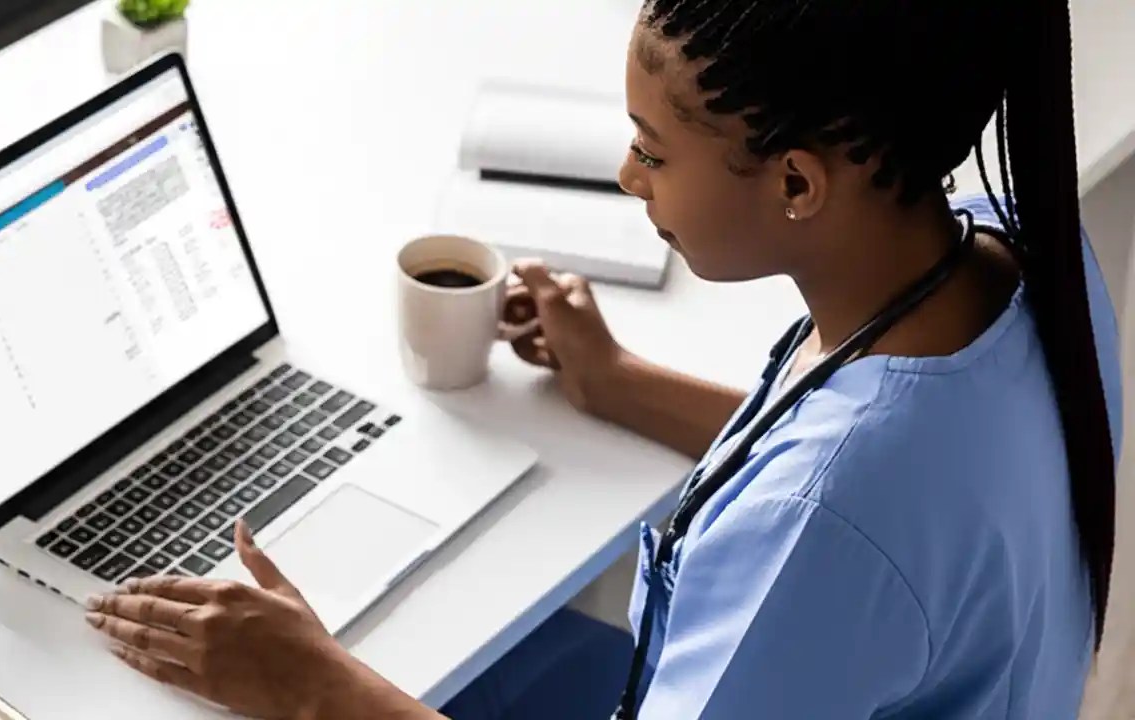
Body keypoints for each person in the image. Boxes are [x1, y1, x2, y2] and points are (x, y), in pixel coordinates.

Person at [82, 0, 1123, 717]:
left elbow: (826, 511)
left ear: (797, 185)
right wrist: (617, 381)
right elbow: (838, 451)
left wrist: (310, 682)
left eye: (654, 150)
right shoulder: (1014, 257)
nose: (627, 176)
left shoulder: (822, 528)